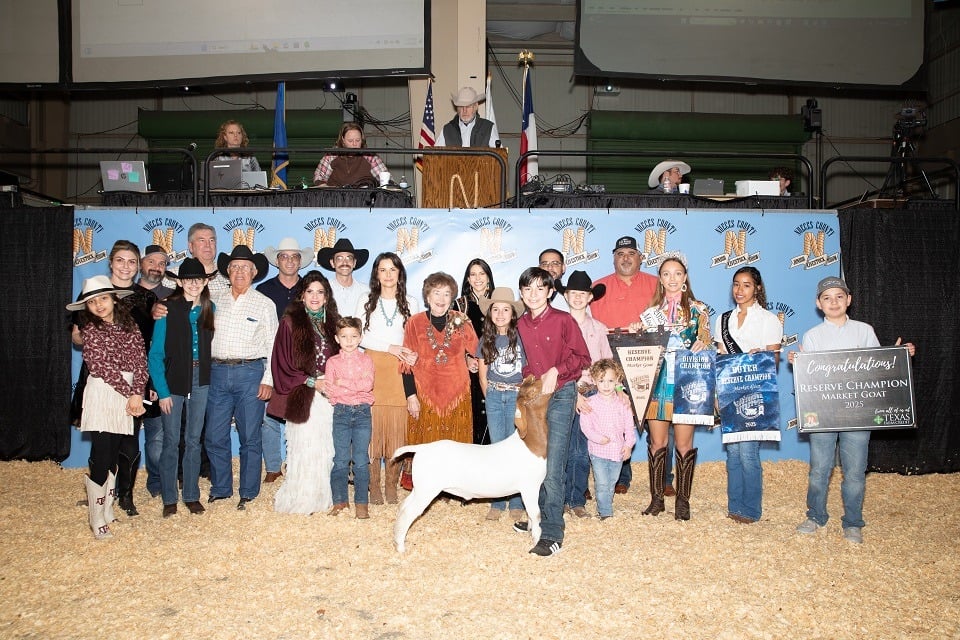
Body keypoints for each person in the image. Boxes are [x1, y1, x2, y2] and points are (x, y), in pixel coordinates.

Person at [789, 277, 915, 544]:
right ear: (818, 304)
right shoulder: (812, 336)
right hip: (823, 415)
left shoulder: (864, 331)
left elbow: (881, 368)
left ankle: (853, 522)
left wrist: (901, 354)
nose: (833, 302)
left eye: (838, 297)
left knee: (855, 471)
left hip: (858, 414)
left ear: (849, 299)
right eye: (827, 298)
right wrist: (799, 364)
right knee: (819, 470)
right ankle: (816, 515)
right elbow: (809, 380)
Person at [512, 267, 591, 556]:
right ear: (521, 293)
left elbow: (583, 358)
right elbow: (526, 362)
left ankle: (553, 532)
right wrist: (529, 378)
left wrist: (556, 371)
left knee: (554, 463)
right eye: (527, 289)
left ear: (550, 292)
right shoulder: (521, 324)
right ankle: (540, 514)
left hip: (561, 394)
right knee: (537, 459)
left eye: (539, 289)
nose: (533, 294)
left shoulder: (563, 320)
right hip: (536, 397)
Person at [67, 276, 147, 539]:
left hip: (128, 392)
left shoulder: (131, 325)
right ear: (86, 307)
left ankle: (108, 507)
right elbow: (102, 367)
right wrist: (132, 395)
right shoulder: (90, 330)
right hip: (103, 393)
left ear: (114, 299)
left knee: (116, 453)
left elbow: (140, 361)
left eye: (102, 298)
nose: (98, 305)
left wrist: (137, 391)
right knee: (102, 456)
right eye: (91, 302)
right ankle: (96, 517)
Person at [635, 252, 712, 521]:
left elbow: (708, 343)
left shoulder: (700, 310)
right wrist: (638, 334)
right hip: (658, 383)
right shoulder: (649, 314)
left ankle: (683, 501)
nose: (672, 279)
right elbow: (643, 351)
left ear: (685, 278)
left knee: (684, 443)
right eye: (666, 274)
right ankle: (656, 499)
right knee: (657, 442)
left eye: (677, 273)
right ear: (660, 278)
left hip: (687, 382)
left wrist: (704, 345)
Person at [206, 245, 278, 510]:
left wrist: (268, 379)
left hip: (251, 372)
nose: (239, 272)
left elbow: (273, 345)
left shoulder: (264, 304)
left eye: (245, 268)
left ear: (254, 272)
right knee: (214, 435)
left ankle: (248, 491)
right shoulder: (213, 300)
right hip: (217, 371)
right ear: (227, 271)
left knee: (250, 436)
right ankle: (221, 488)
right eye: (235, 267)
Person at [589, 236, 659, 494]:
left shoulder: (656, 284)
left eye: (631, 253)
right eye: (620, 253)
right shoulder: (599, 287)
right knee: (615, 418)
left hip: (649, 361)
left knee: (657, 415)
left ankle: (664, 479)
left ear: (640, 257)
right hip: (612, 362)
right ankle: (620, 477)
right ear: (614, 257)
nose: (626, 258)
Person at [714, 266, 783, 524]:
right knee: (733, 453)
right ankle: (735, 505)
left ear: (758, 288)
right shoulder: (722, 319)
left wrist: (759, 358)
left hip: (755, 392)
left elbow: (773, 362)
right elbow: (721, 359)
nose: (739, 290)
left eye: (746, 285)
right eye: (736, 284)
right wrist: (717, 395)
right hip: (730, 393)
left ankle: (751, 509)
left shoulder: (769, 320)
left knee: (749, 454)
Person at [147, 258, 215, 517]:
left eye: (198, 279)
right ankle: (169, 497)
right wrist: (162, 391)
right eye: (188, 279)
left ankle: (191, 494)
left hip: (201, 378)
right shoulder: (166, 309)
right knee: (171, 440)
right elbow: (155, 354)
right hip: (173, 380)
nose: (194, 284)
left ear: (206, 281)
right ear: (179, 282)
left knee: (194, 440)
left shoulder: (210, 308)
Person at [268, 271, 339, 515]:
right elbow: (281, 362)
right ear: (302, 295)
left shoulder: (333, 323)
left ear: (327, 296)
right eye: (310, 291)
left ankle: (324, 497)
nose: (315, 296)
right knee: (304, 447)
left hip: (330, 395)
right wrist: (311, 381)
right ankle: (303, 499)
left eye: (320, 292)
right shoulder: (290, 322)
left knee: (327, 447)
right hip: (303, 394)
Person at [357, 252, 420, 503]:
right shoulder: (365, 299)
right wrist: (390, 347)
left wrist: (408, 353)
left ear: (400, 274)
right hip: (372, 367)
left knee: (397, 431)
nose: (388, 275)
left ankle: (391, 486)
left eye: (392, 270)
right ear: (376, 274)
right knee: (372, 432)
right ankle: (374, 485)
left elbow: (413, 338)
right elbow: (358, 334)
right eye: (382, 270)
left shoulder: (411, 302)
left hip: (399, 372)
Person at [258, 237, 314, 483]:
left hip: (302, 360)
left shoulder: (310, 289)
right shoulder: (264, 290)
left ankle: (297, 464)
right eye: (284, 256)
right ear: (276, 261)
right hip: (271, 357)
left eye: (294, 256)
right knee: (268, 414)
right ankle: (272, 465)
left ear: (300, 262)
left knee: (300, 414)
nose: (290, 261)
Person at [401, 272, 480, 451]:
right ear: (427, 296)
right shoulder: (414, 323)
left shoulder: (462, 320)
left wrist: (470, 359)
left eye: (446, 293)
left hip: (457, 394)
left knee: (456, 448)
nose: (441, 298)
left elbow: (478, 351)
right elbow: (406, 364)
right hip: (424, 395)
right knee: (426, 449)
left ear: (452, 297)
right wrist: (411, 396)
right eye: (437, 292)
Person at [556, 270, 612, 518]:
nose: (577, 298)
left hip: (590, 393)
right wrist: (572, 391)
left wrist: (612, 391)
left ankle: (576, 499)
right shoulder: (556, 324)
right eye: (573, 293)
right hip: (562, 392)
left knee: (580, 449)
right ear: (566, 295)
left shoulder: (599, 328)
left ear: (590, 297)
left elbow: (606, 363)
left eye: (583, 294)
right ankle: (558, 499)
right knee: (559, 448)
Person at [476, 286, 526, 522]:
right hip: (496, 395)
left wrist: (522, 399)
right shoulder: (486, 339)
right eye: (496, 309)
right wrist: (491, 395)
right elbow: (483, 372)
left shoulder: (522, 337)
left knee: (516, 449)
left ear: (513, 313)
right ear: (490, 313)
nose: (500, 314)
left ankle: (516, 501)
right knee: (497, 448)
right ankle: (497, 502)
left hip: (516, 396)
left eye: (506, 309)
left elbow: (527, 371)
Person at [325, 316, 375, 519]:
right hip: (341, 413)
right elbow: (330, 389)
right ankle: (340, 501)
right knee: (341, 459)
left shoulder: (367, 360)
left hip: (363, 412)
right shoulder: (332, 362)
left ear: (360, 337)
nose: (349, 340)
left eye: (354, 336)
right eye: (344, 336)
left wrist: (343, 383)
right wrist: (351, 385)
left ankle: (362, 503)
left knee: (361, 460)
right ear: (337, 338)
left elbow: (367, 385)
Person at [579, 359, 636, 519]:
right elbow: (586, 427)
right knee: (602, 483)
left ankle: (605, 503)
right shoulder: (590, 403)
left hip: (617, 451)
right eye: (601, 381)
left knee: (612, 482)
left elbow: (629, 427)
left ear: (617, 380)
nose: (606, 385)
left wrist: (628, 446)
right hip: (598, 452)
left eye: (610, 381)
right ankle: (605, 512)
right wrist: (598, 438)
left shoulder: (622, 403)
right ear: (594, 381)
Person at [453, 258, 494, 445]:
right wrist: (467, 358)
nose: (478, 278)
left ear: (488, 277)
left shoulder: (499, 302)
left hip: (496, 370)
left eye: (482, 273)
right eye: (473, 274)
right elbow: (451, 341)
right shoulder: (459, 306)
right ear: (468, 279)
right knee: (471, 418)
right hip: (469, 371)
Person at [312, 123, 388, 187]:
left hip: (363, 199)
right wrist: (324, 187)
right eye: (350, 141)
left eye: (358, 140)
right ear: (343, 140)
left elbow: (385, 179)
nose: (354, 144)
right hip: (336, 198)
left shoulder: (371, 157)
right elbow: (319, 177)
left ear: (362, 139)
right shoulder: (331, 155)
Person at [318, 238, 370, 322]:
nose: (345, 262)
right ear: (332, 263)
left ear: (354, 263)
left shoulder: (366, 291)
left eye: (349, 258)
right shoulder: (323, 290)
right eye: (339, 258)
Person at [435, 86, 500, 148]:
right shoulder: (447, 130)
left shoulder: (488, 128)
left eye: (468, 106)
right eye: (461, 106)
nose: (464, 110)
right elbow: (434, 155)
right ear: (457, 108)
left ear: (476, 106)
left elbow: (499, 156)